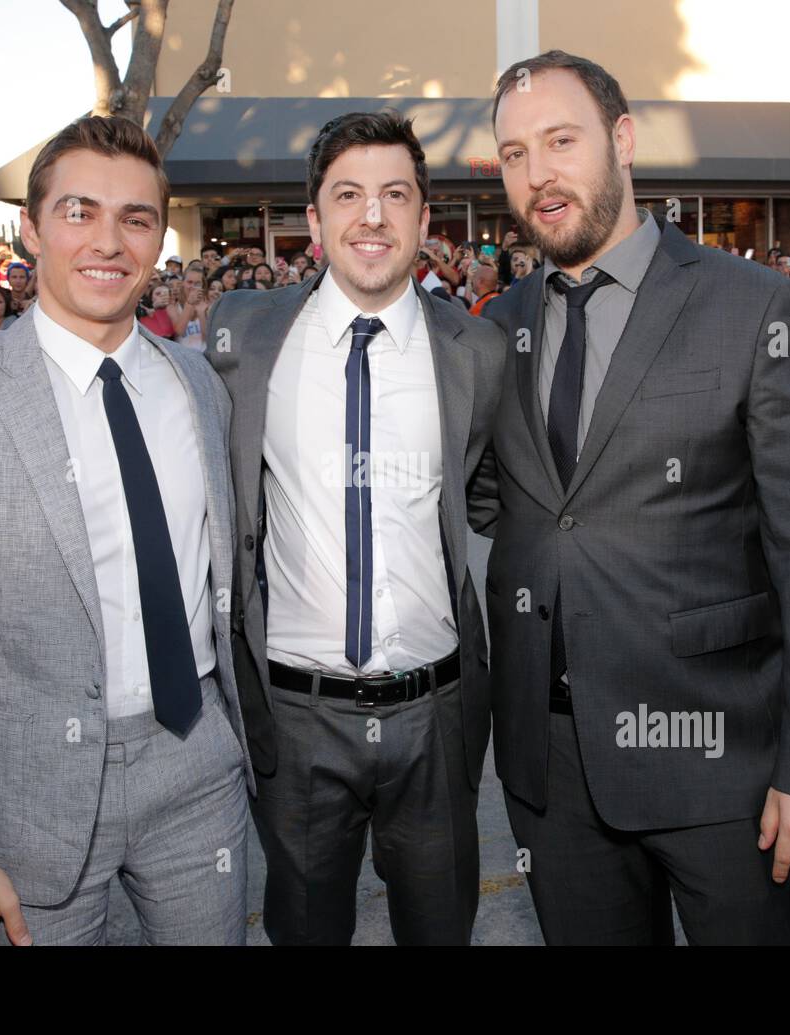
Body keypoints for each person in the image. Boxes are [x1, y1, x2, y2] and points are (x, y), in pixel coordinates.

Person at [479, 50, 790, 946]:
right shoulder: (498, 331)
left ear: (622, 140)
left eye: (561, 141)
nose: (538, 175)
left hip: (724, 765)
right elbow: (508, 508)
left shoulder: (760, 309)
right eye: (512, 154)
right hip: (554, 771)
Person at [0, 114, 251, 947]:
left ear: (157, 240)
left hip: (196, 769)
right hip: (23, 800)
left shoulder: (198, 383)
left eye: (135, 218)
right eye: (80, 211)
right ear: (33, 228)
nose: (107, 240)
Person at [205, 110, 504, 946]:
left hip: (436, 714)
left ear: (422, 217)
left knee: (442, 930)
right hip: (296, 719)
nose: (372, 217)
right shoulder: (243, 338)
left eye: (394, 196)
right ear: (314, 220)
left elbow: (497, 502)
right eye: (349, 195)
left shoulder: (476, 352)